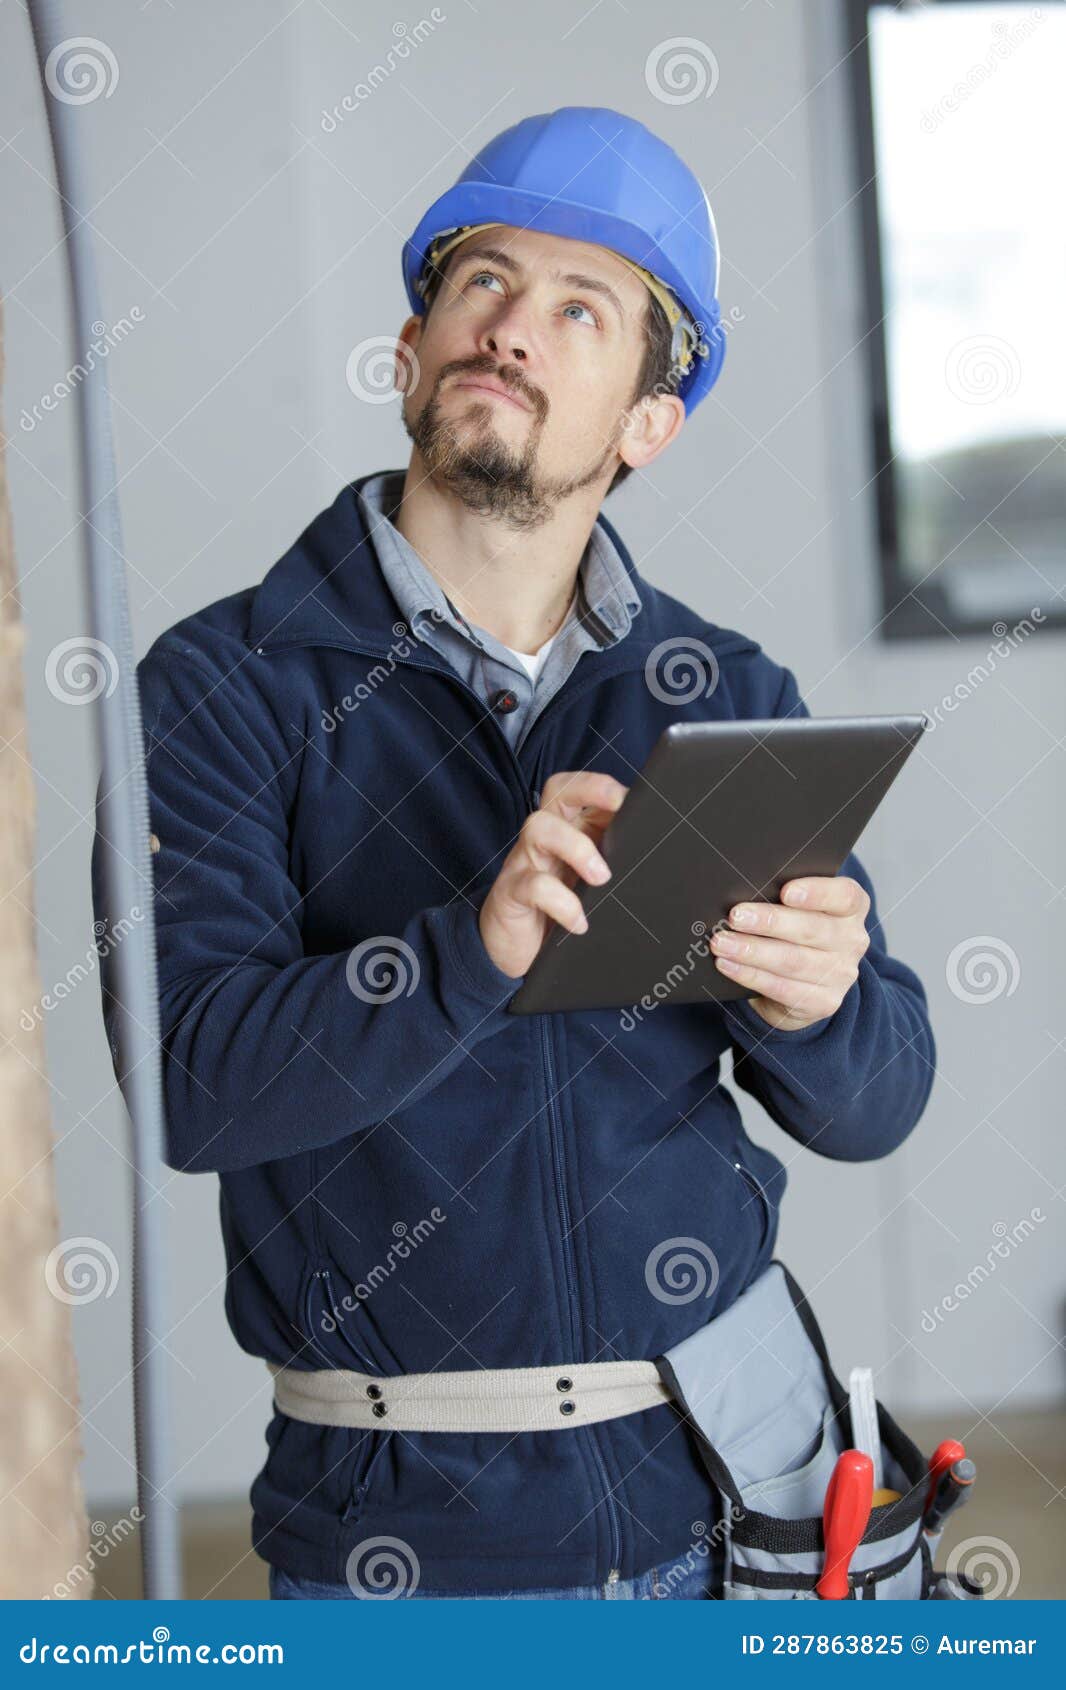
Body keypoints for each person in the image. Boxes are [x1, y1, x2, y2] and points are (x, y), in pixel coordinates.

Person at [92, 106, 935, 1601]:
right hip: (416, 1543)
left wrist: (821, 1006)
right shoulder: (225, 686)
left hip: (749, 1489)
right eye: (481, 282)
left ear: (644, 423)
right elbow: (196, 1081)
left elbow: (875, 1103)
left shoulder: (721, 695)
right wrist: (465, 947)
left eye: (579, 307)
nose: (512, 330)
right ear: (410, 349)